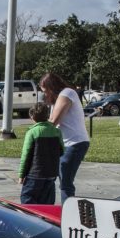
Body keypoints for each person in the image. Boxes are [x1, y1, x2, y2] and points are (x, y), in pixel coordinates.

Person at [39, 72, 89, 202]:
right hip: (66, 144)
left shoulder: (67, 93)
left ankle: (67, 214)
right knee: (63, 181)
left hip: (74, 143)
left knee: (65, 183)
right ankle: (64, 211)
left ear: (52, 86)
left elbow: (53, 121)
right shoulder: (60, 98)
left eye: (45, 91)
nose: (45, 94)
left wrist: (37, 128)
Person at [18, 103, 63, 205]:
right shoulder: (57, 132)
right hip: (51, 173)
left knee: (27, 198)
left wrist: (21, 175)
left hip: (35, 174)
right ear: (47, 115)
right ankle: (44, 219)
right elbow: (62, 150)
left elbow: (26, 155)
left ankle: (32, 218)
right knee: (47, 202)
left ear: (32, 117)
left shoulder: (32, 132)